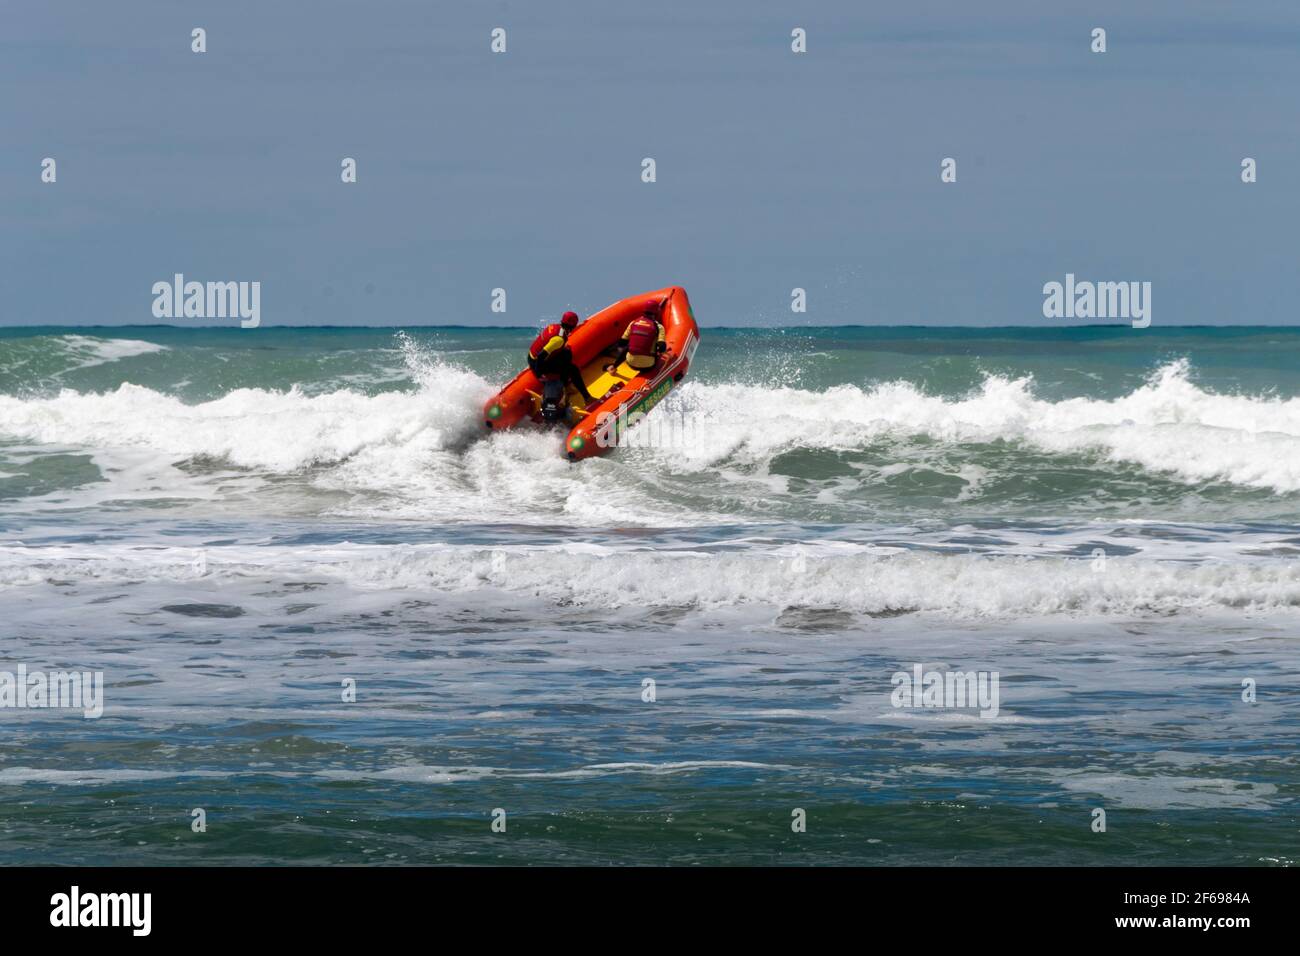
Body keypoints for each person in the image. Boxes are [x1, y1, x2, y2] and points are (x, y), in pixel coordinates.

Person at [527, 310, 593, 403]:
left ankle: (566, 383)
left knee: (567, 353)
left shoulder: (555, 326)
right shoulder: (559, 339)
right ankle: (587, 398)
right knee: (572, 369)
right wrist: (539, 375)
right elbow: (541, 356)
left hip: (532, 356)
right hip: (537, 363)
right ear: (573, 326)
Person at [608, 303, 667, 371]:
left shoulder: (633, 323)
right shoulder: (659, 327)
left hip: (631, 363)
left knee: (628, 347)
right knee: (656, 345)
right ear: (656, 313)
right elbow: (662, 348)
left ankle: (614, 366)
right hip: (648, 366)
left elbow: (622, 343)